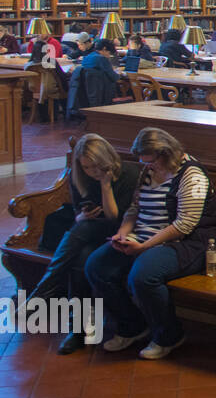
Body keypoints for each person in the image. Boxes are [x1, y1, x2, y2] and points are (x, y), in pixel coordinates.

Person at [84, 127, 216, 360]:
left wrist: (144, 247)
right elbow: (134, 209)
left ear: (166, 154)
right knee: (97, 266)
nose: (146, 166)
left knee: (142, 275)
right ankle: (133, 326)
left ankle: (168, 335)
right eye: (143, 161)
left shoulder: (191, 174)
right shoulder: (147, 172)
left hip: (189, 243)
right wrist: (123, 234)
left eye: (151, 161)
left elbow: (184, 224)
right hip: (144, 236)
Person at [25, 134, 142, 354]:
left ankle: (45, 292)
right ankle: (77, 331)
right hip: (86, 237)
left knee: (82, 233)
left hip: (119, 234)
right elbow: (78, 212)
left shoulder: (128, 174)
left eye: (97, 166)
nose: (93, 172)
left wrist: (106, 186)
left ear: (108, 158)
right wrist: (82, 217)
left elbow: (118, 219)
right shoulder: (80, 175)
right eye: (87, 168)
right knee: (80, 257)